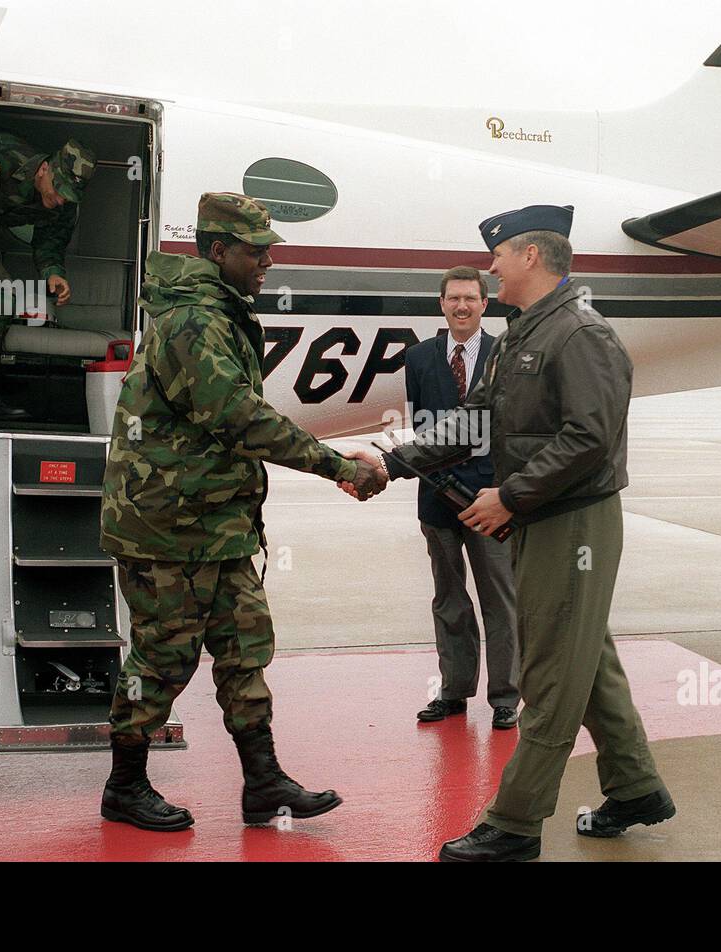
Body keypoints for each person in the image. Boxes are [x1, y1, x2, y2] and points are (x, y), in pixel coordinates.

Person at [352, 205, 675, 862]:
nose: (490, 266)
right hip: (544, 517)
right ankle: (636, 787)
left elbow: (590, 438)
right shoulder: (528, 335)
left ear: (530, 257)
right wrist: (390, 462)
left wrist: (511, 496)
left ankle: (516, 824)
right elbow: (472, 423)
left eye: (498, 255)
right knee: (587, 657)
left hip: (572, 519)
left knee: (549, 672)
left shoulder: (580, 335)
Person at [99, 192, 386, 831]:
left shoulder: (218, 312)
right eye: (257, 251)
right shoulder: (195, 321)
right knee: (162, 657)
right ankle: (124, 786)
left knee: (243, 649)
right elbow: (238, 418)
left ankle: (264, 784)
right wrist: (339, 467)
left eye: (270, 250)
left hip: (215, 526)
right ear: (219, 251)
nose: (268, 263)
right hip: (167, 529)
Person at [407, 266, 520, 729]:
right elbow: (422, 431)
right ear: (442, 303)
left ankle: (505, 697)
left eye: (470, 298)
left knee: (500, 599)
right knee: (449, 599)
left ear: (484, 304)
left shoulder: (505, 353)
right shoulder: (418, 358)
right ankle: (453, 691)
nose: (461, 306)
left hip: (490, 499)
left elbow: (509, 428)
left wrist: (495, 488)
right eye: (453, 298)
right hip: (437, 500)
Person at [0, 130, 97, 420]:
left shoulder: (64, 207)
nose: (61, 201)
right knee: (1, 292)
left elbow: (49, 244)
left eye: (69, 196)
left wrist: (54, 273)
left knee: (2, 298)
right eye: (59, 190)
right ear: (44, 169)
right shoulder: (5, 149)